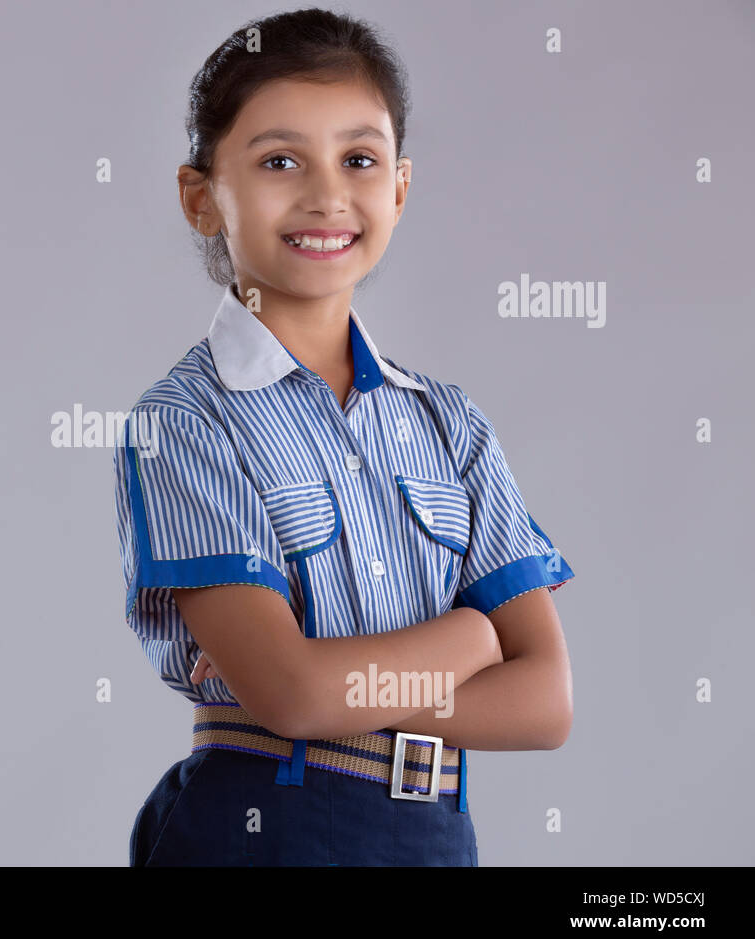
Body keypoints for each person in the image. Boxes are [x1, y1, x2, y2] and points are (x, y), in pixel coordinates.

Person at [112, 7, 575, 866]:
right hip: (260, 832)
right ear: (201, 197)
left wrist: (332, 688)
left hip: (432, 836)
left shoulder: (450, 425)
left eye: (358, 159)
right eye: (280, 160)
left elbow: (545, 703)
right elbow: (290, 699)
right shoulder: (182, 423)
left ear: (399, 187)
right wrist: (474, 641)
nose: (327, 194)